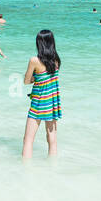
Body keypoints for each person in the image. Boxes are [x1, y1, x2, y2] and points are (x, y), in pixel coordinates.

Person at [22, 29, 61, 159]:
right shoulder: (57, 61)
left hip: (38, 104)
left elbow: (26, 81)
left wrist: (34, 77)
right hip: (52, 103)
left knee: (28, 141)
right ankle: (52, 170)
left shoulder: (34, 60)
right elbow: (49, 78)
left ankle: (25, 172)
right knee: (52, 141)